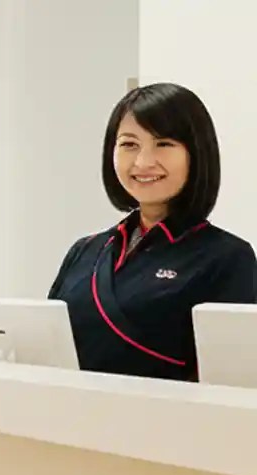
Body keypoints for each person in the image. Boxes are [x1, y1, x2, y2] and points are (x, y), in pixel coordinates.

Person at [47, 82, 257, 381]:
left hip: (163, 425)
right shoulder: (85, 250)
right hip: (61, 422)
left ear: (196, 153)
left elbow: (228, 384)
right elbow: (47, 349)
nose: (143, 162)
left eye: (164, 143)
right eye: (129, 144)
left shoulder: (228, 257)